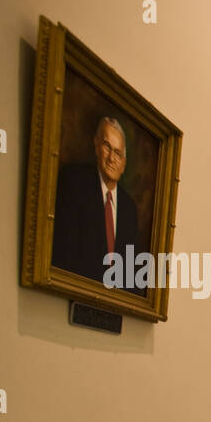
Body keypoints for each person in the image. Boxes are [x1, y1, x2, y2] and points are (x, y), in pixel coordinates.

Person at [52, 116, 140, 292]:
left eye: (118, 153)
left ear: (124, 164)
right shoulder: (74, 183)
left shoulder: (130, 209)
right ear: (96, 145)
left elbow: (133, 275)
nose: (111, 158)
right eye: (107, 147)